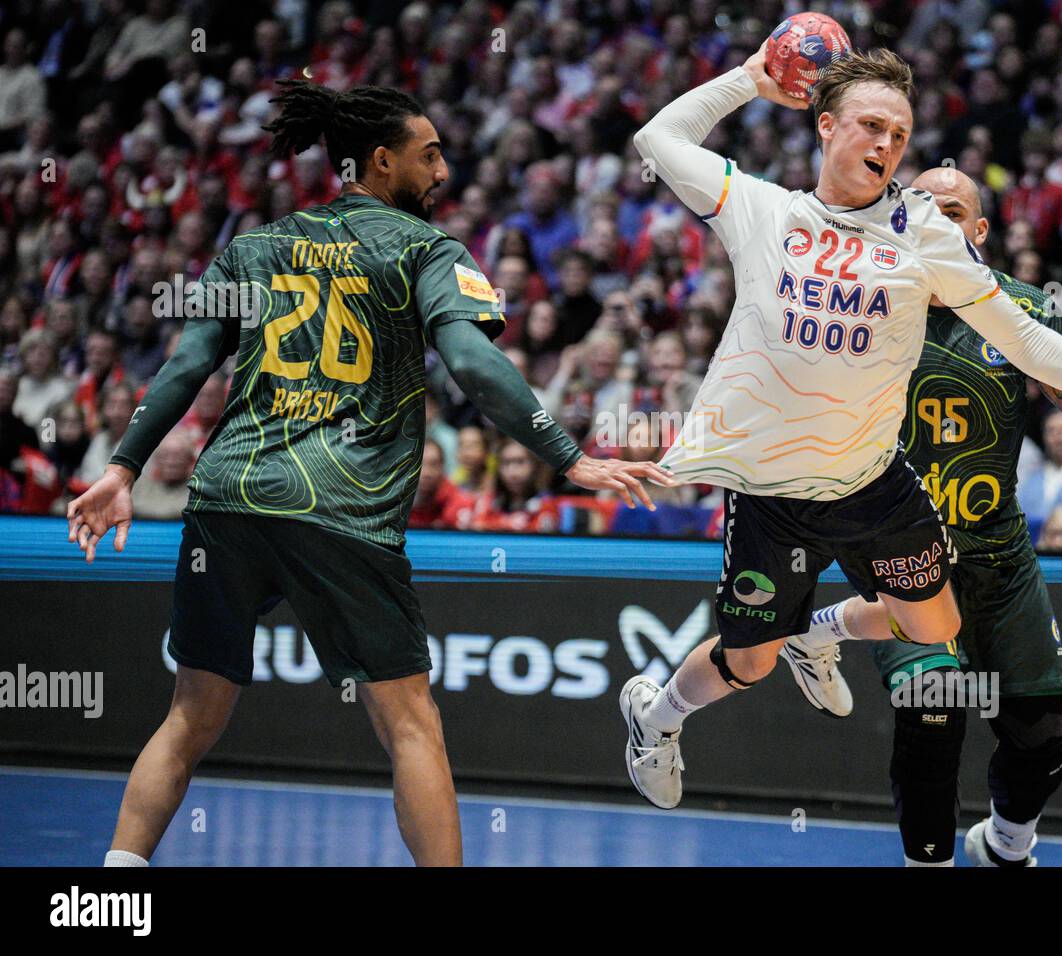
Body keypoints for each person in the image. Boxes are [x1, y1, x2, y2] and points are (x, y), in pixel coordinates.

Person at [65, 80, 671, 868]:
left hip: (229, 499)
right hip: (341, 507)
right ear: (382, 163)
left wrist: (122, 467)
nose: (445, 171)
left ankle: (116, 891)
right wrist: (570, 456)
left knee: (190, 715)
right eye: (430, 155)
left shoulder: (256, 244)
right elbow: (473, 364)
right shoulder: (426, 250)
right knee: (411, 723)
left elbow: (186, 365)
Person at [618, 46, 1062, 813]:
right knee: (747, 665)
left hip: (872, 483)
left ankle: (817, 631)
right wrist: (750, 82)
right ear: (825, 127)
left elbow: (1021, 335)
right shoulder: (765, 211)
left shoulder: (923, 234)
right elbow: (658, 139)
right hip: (772, 491)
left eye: (899, 133)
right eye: (871, 126)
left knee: (937, 621)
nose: (885, 146)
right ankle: (656, 719)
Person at [778, 166, 1062, 867]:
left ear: (980, 232)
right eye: (922, 205)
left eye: (954, 210)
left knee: (1041, 737)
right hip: (907, 553)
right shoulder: (863, 308)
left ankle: (1005, 847)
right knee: (933, 714)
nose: (936, 218)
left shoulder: (1020, 309)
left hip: (999, 554)